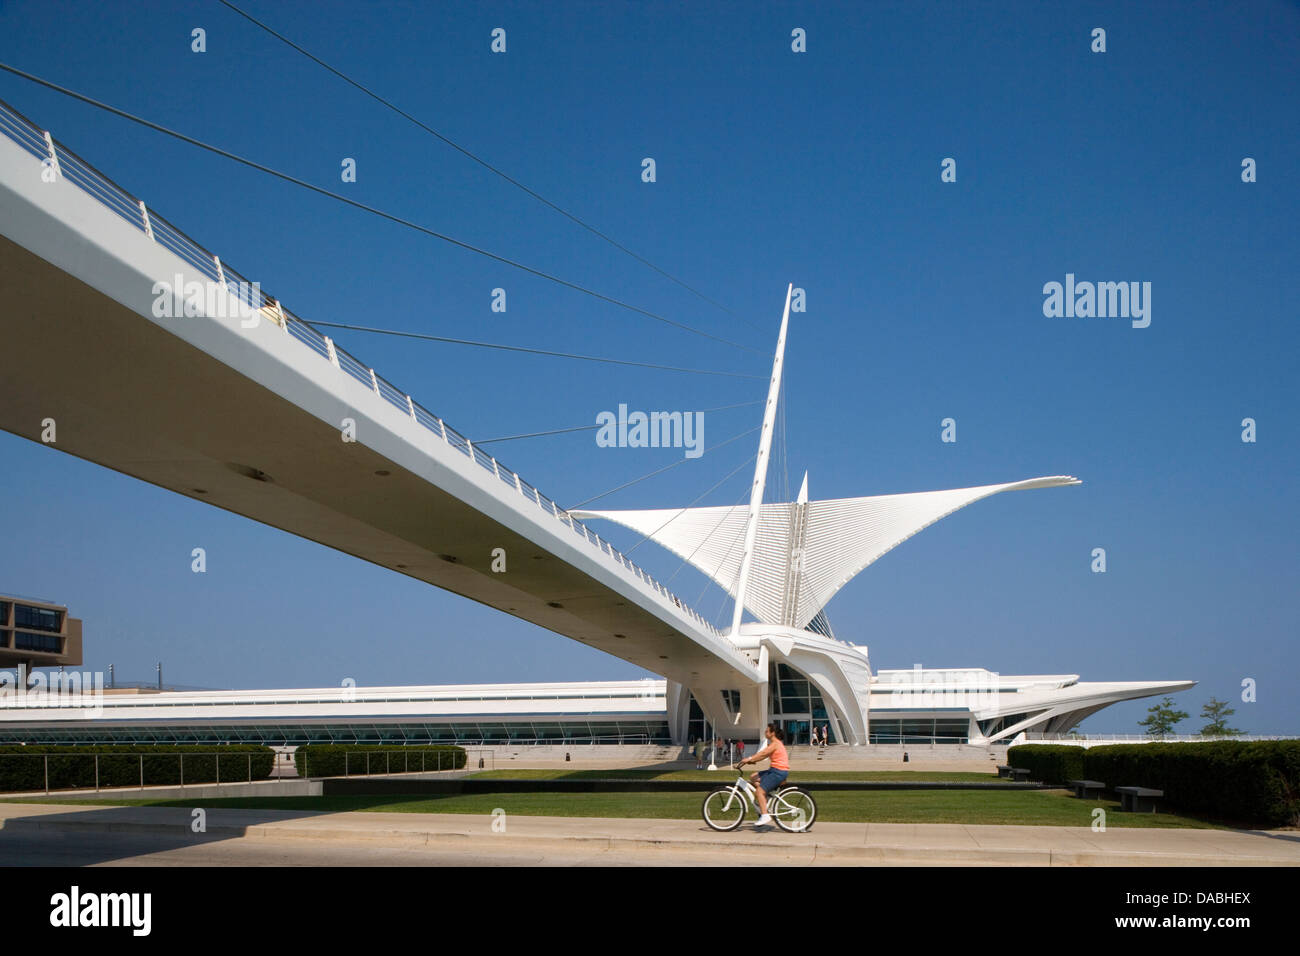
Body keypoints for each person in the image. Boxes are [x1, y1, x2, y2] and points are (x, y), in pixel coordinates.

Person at [737, 724, 789, 828]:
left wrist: (749, 758)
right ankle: (766, 796)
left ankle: (765, 815)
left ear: (772, 733)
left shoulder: (775, 744)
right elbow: (762, 755)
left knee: (759, 791)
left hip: (778, 772)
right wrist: (752, 761)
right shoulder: (774, 744)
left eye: (767, 731)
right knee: (753, 777)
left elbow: (763, 754)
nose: (765, 733)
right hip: (774, 770)